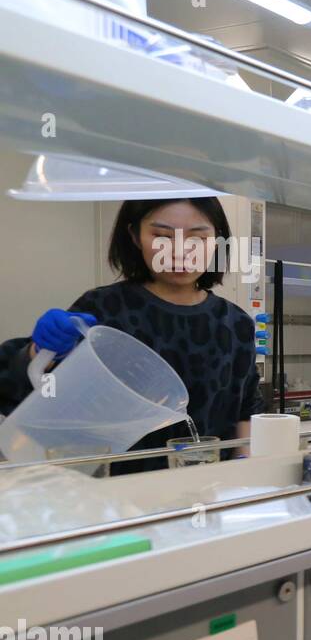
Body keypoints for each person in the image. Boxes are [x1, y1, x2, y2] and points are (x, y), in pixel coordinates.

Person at [0, 197, 262, 472]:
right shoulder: (102, 310)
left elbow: (247, 409)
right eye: (161, 236)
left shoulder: (235, 323)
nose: (180, 251)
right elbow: (35, 393)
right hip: (113, 496)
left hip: (205, 491)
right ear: (135, 236)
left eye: (197, 238)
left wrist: (244, 465)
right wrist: (38, 352)